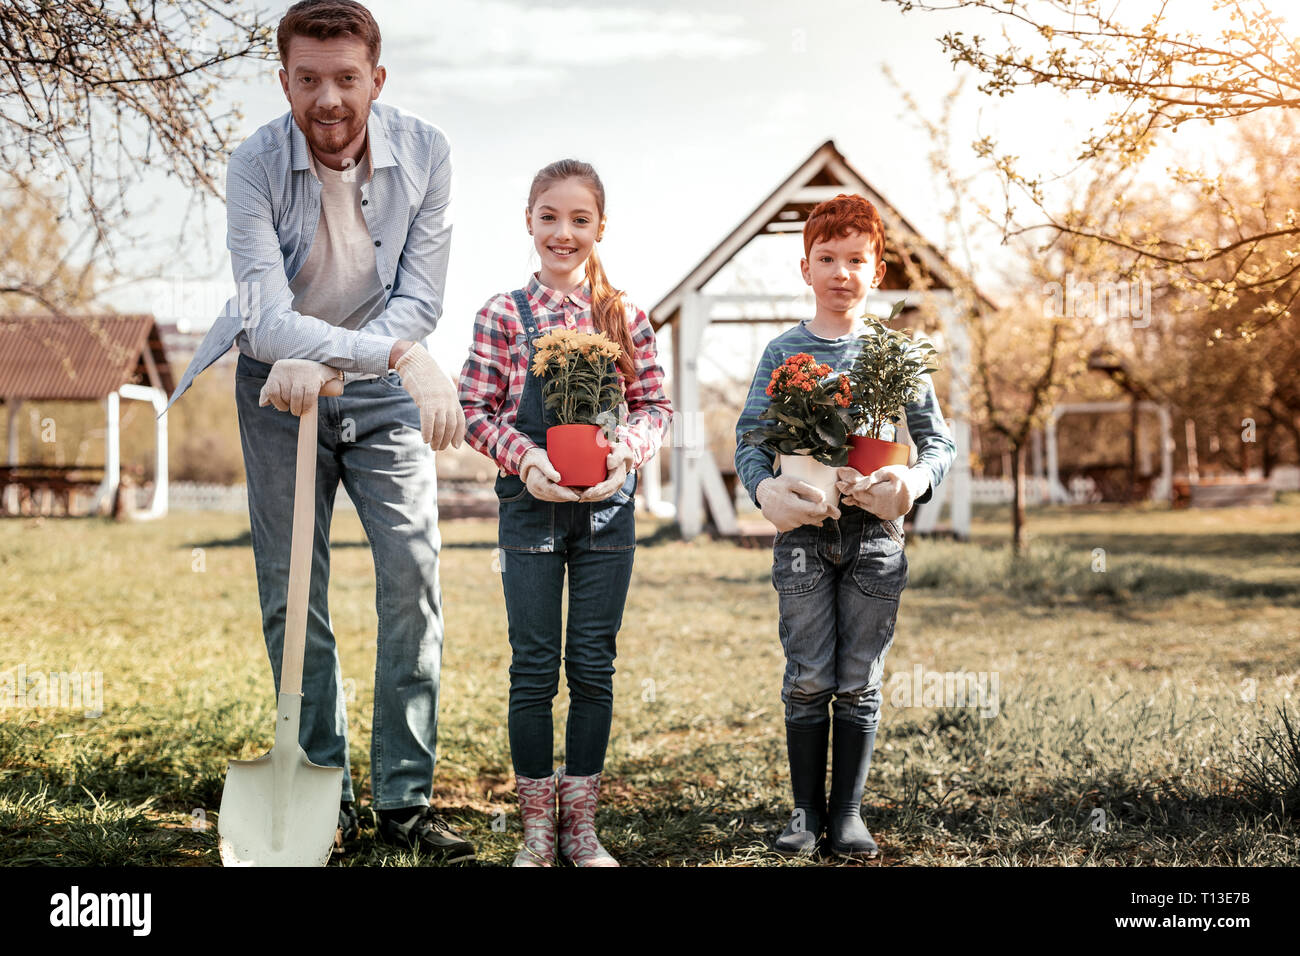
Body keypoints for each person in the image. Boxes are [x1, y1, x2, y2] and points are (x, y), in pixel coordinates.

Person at [160, 0, 472, 862]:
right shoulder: (253, 165)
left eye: (346, 79)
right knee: (292, 589)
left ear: (378, 77)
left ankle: (404, 802)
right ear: (284, 79)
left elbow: (420, 297)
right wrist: (392, 355)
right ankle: (321, 789)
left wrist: (379, 361)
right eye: (308, 80)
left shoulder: (429, 154)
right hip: (279, 384)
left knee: (411, 573)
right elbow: (263, 315)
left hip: (381, 387)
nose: (328, 100)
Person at [458, 159, 672, 867]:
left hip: (607, 515)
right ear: (529, 221)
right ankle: (536, 832)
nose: (563, 232)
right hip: (529, 512)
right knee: (533, 668)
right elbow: (475, 411)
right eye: (549, 216)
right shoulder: (502, 315)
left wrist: (626, 453)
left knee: (592, 666)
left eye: (580, 219)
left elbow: (654, 407)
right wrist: (525, 459)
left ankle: (580, 827)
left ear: (600, 228)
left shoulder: (626, 316)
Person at [734, 193, 957, 861]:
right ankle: (804, 814)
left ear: (877, 269)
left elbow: (937, 444)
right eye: (826, 259)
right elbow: (750, 438)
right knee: (808, 676)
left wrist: (911, 484)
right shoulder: (783, 352)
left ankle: (848, 816)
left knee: (858, 678)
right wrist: (765, 487)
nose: (841, 272)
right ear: (805, 269)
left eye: (855, 259)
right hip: (803, 538)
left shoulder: (897, 353)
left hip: (874, 540)